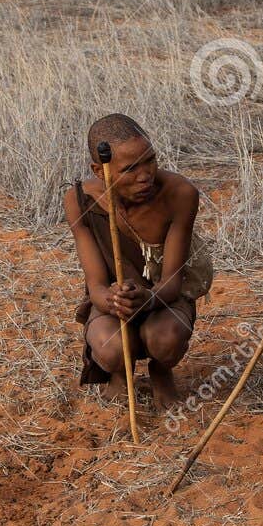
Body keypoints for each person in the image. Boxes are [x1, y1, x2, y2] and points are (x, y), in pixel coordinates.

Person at [64, 114, 213, 408]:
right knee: (111, 348)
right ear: (99, 169)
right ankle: (121, 373)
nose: (145, 175)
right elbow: (95, 285)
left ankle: (161, 371)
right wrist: (112, 300)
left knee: (165, 339)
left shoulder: (179, 194)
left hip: (164, 299)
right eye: (130, 169)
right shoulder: (79, 201)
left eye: (150, 161)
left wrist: (147, 298)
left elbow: (172, 281)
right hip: (112, 304)